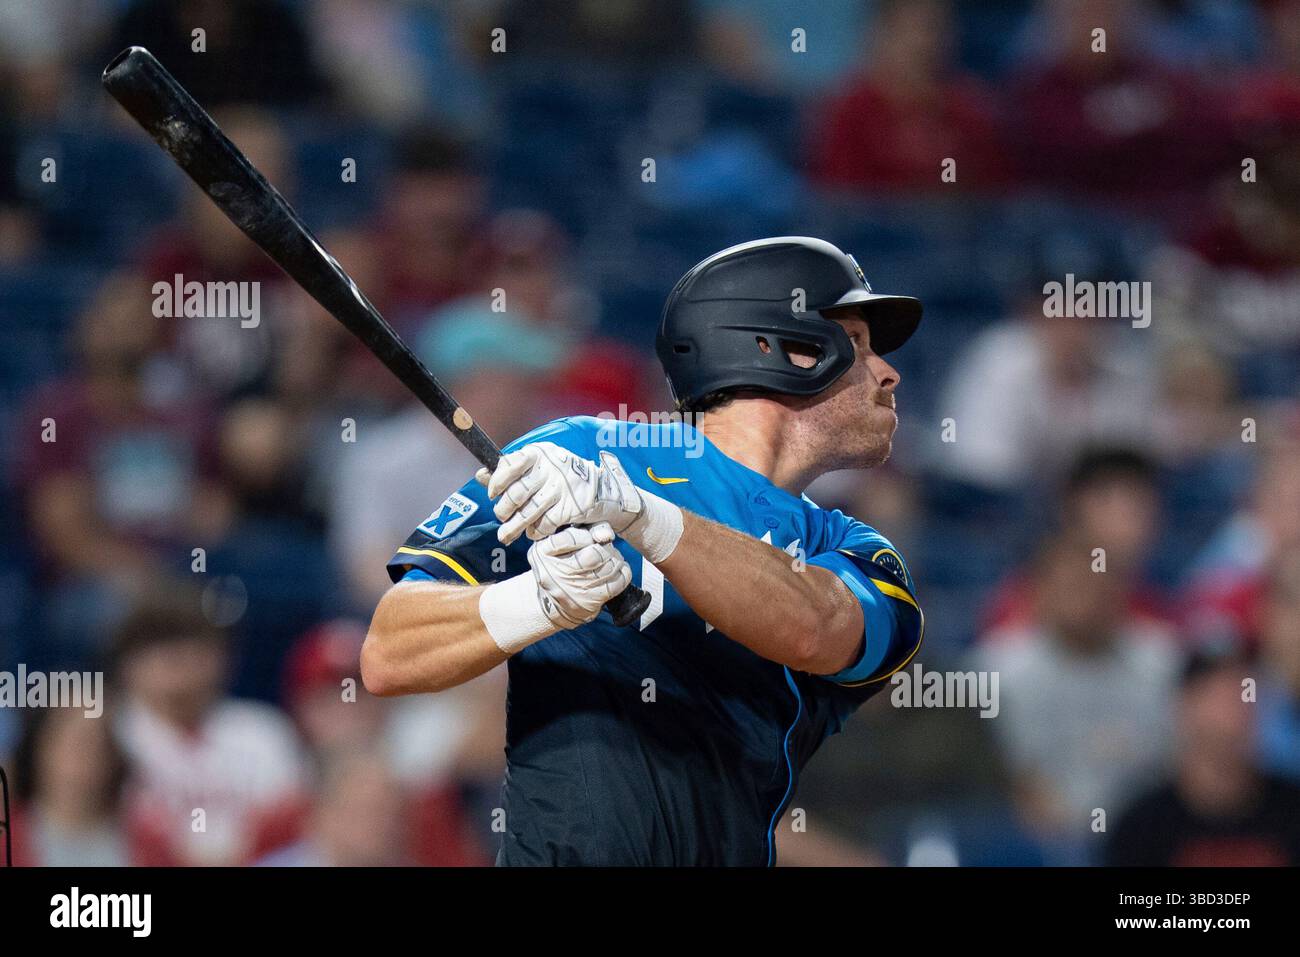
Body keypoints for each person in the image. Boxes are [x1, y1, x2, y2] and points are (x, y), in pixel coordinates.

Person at [362, 236, 926, 865]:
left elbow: (815, 630)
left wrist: (642, 515)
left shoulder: (853, 551)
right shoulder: (580, 451)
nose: (888, 371)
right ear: (783, 347)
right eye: (858, 342)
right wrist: (538, 601)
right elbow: (388, 652)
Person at [1106, 644, 1300, 866]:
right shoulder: (1141, 826)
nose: (1239, 711)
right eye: (1222, 697)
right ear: (1184, 706)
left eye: (1249, 694)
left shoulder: (1292, 812)